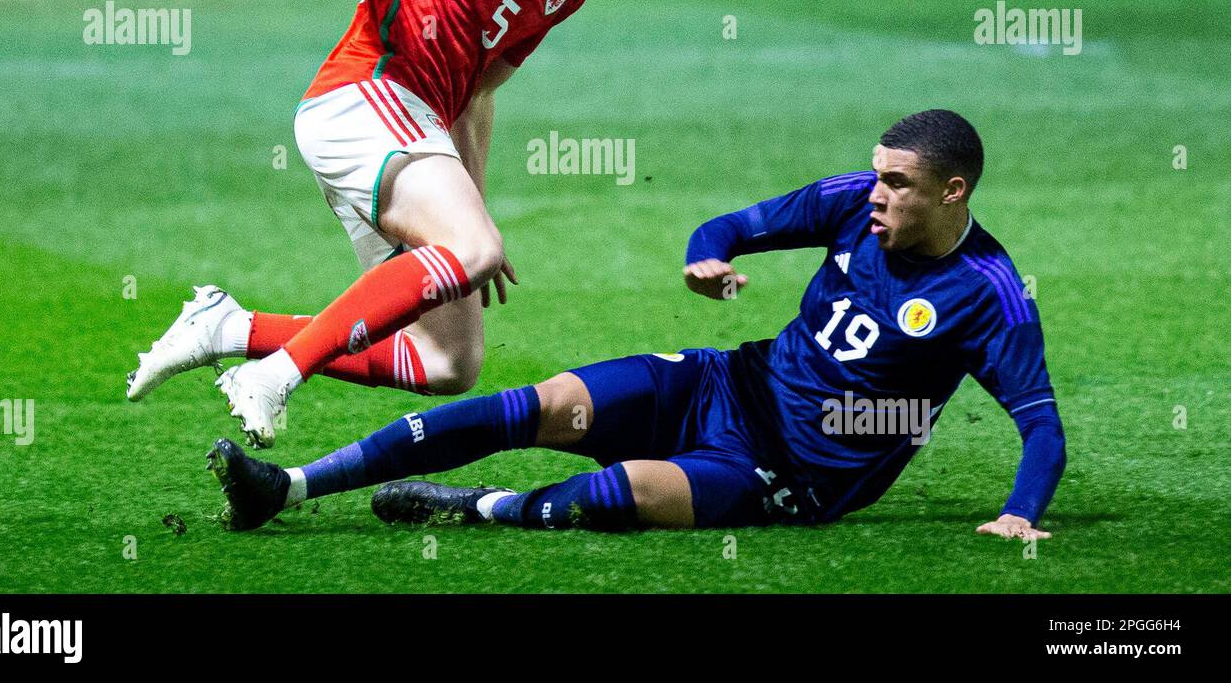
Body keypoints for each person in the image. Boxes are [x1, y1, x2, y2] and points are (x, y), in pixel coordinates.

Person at [126, 0, 694, 449]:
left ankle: (228, 330)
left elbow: (478, 96)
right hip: (364, 92)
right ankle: (275, 374)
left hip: (415, 128)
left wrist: (471, 213)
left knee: (448, 363)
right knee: (471, 251)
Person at [207, 110, 1067, 539]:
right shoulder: (852, 201)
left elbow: (1041, 426)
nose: (876, 193)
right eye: (878, 175)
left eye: (900, 184)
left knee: (612, 497)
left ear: (952, 192)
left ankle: (478, 507)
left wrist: (1021, 513)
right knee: (528, 406)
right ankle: (286, 487)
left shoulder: (988, 292)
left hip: (790, 469)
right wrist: (706, 259)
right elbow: (730, 229)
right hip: (724, 382)